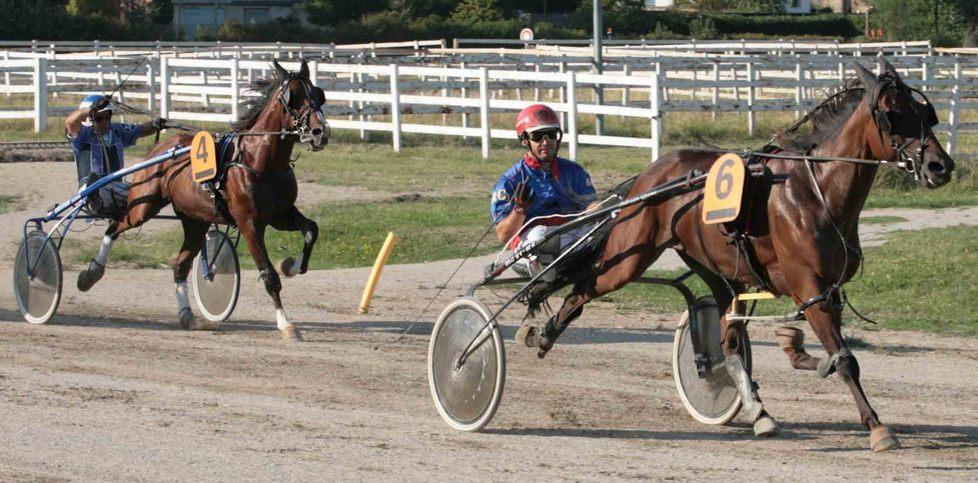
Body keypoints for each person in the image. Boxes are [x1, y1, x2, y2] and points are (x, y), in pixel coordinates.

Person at [65, 94, 167, 291]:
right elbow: (70, 121)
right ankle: (101, 201)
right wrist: (90, 110)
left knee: (147, 188)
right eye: (99, 118)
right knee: (98, 185)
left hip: (118, 188)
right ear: (89, 119)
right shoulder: (81, 137)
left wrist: (156, 124)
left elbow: (141, 130)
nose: (104, 122)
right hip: (91, 189)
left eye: (107, 116)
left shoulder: (117, 131)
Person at [490, 103, 597, 280]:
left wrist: (605, 206)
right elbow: (503, 235)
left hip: (567, 232)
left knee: (599, 227)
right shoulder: (510, 181)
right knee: (540, 233)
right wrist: (519, 210)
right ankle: (536, 265)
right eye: (538, 136)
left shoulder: (574, 171)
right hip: (532, 240)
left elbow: (590, 207)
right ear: (525, 140)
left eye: (551, 134)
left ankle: (566, 262)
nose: (546, 142)